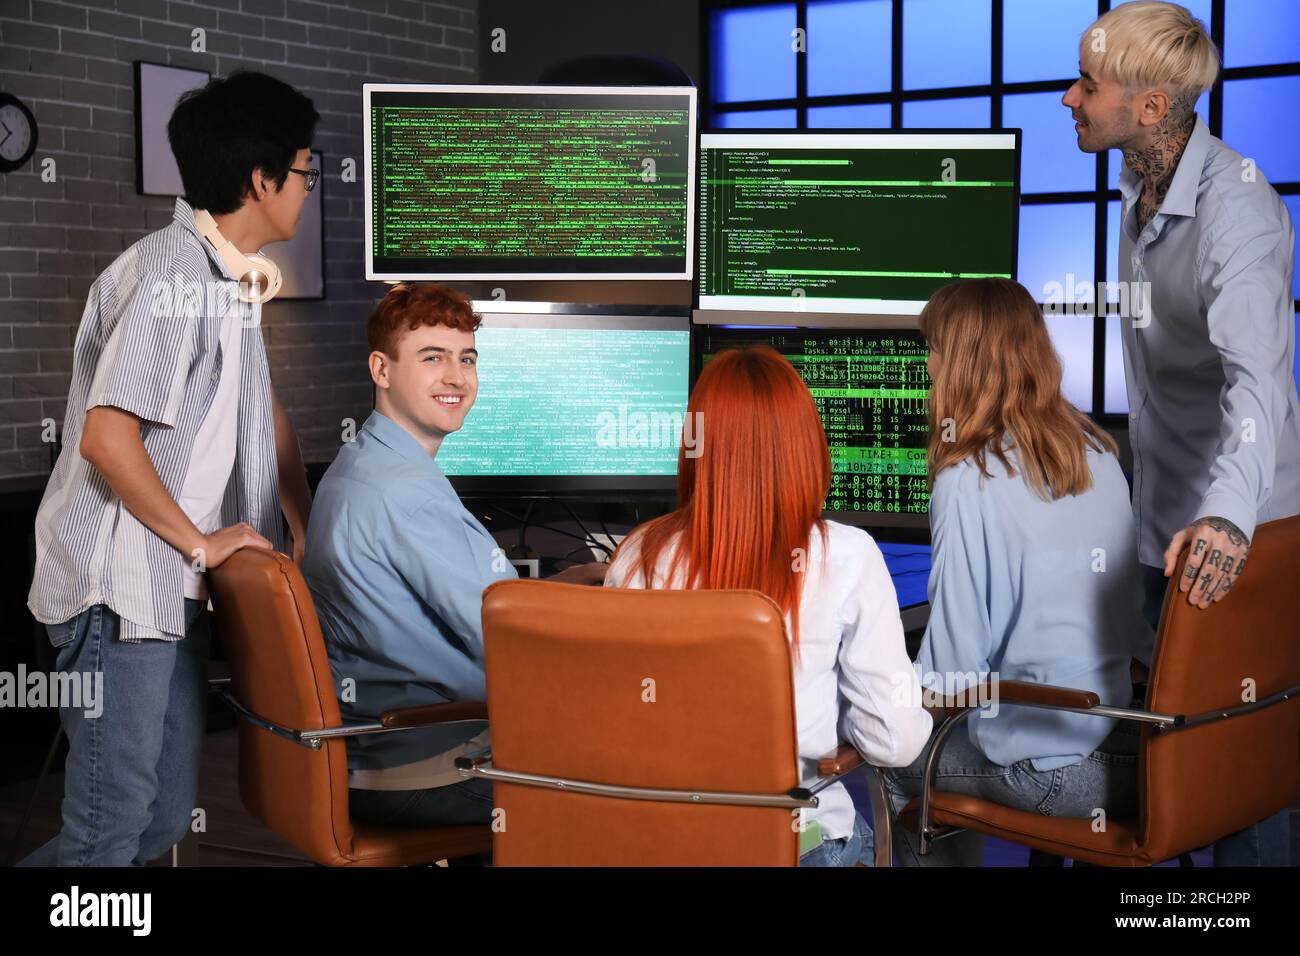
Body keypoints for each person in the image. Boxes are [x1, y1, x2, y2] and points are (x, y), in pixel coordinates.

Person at [21, 71, 318, 866]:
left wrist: (302, 516)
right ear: (262, 181)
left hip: (167, 592)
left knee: (155, 822)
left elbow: (265, 413)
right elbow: (106, 440)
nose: (309, 187)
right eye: (305, 170)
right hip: (118, 589)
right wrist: (201, 542)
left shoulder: (228, 280)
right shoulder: (171, 277)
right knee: (110, 829)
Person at [1063, 1, 1298, 865]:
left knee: (1235, 781)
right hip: (1162, 524)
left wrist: (1228, 520)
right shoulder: (1139, 187)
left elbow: (1256, 382)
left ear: (1151, 108)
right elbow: (1169, 371)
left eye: (1088, 85)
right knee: (1178, 768)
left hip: (1237, 527)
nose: (1068, 99)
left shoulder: (1238, 214)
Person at [604, 345, 933, 867]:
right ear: (806, 446)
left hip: (661, 839)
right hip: (794, 841)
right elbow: (895, 742)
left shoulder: (637, 556)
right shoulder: (846, 556)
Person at [303, 283, 604, 831]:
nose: (457, 378)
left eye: (466, 359)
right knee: (635, 778)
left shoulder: (362, 462)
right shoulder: (407, 496)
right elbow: (513, 640)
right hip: (428, 765)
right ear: (382, 369)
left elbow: (490, 605)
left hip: (377, 751)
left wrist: (575, 581)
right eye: (432, 357)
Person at [883, 278, 1151, 867]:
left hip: (1049, 775)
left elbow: (950, 679)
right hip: (1132, 752)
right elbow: (1132, 629)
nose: (926, 365)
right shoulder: (1099, 454)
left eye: (934, 349)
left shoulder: (967, 480)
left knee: (894, 759)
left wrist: (877, 688)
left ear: (963, 362)